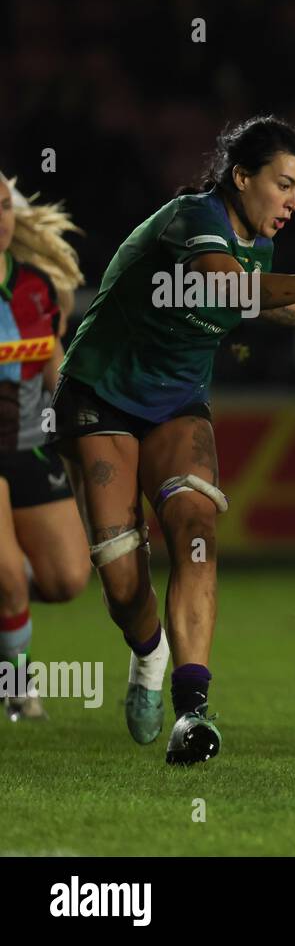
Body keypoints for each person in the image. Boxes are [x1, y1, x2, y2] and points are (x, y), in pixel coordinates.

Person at [51, 116, 295, 765]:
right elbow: (226, 287)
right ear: (241, 176)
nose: (294, 201)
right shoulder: (193, 221)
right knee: (124, 581)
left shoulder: (256, 242)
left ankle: (193, 712)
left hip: (178, 403)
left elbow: (259, 303)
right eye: (283, 184)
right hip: (99, 394)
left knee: (196, 529)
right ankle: (150, 653)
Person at [0, 173, 92, 720]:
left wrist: (81, 424)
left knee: (64, 580)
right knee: (8, 576)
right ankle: (18, 691)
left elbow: (54, 364)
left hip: (31, 448)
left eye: (3, 206)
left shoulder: (36, 285)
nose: (1, 219)